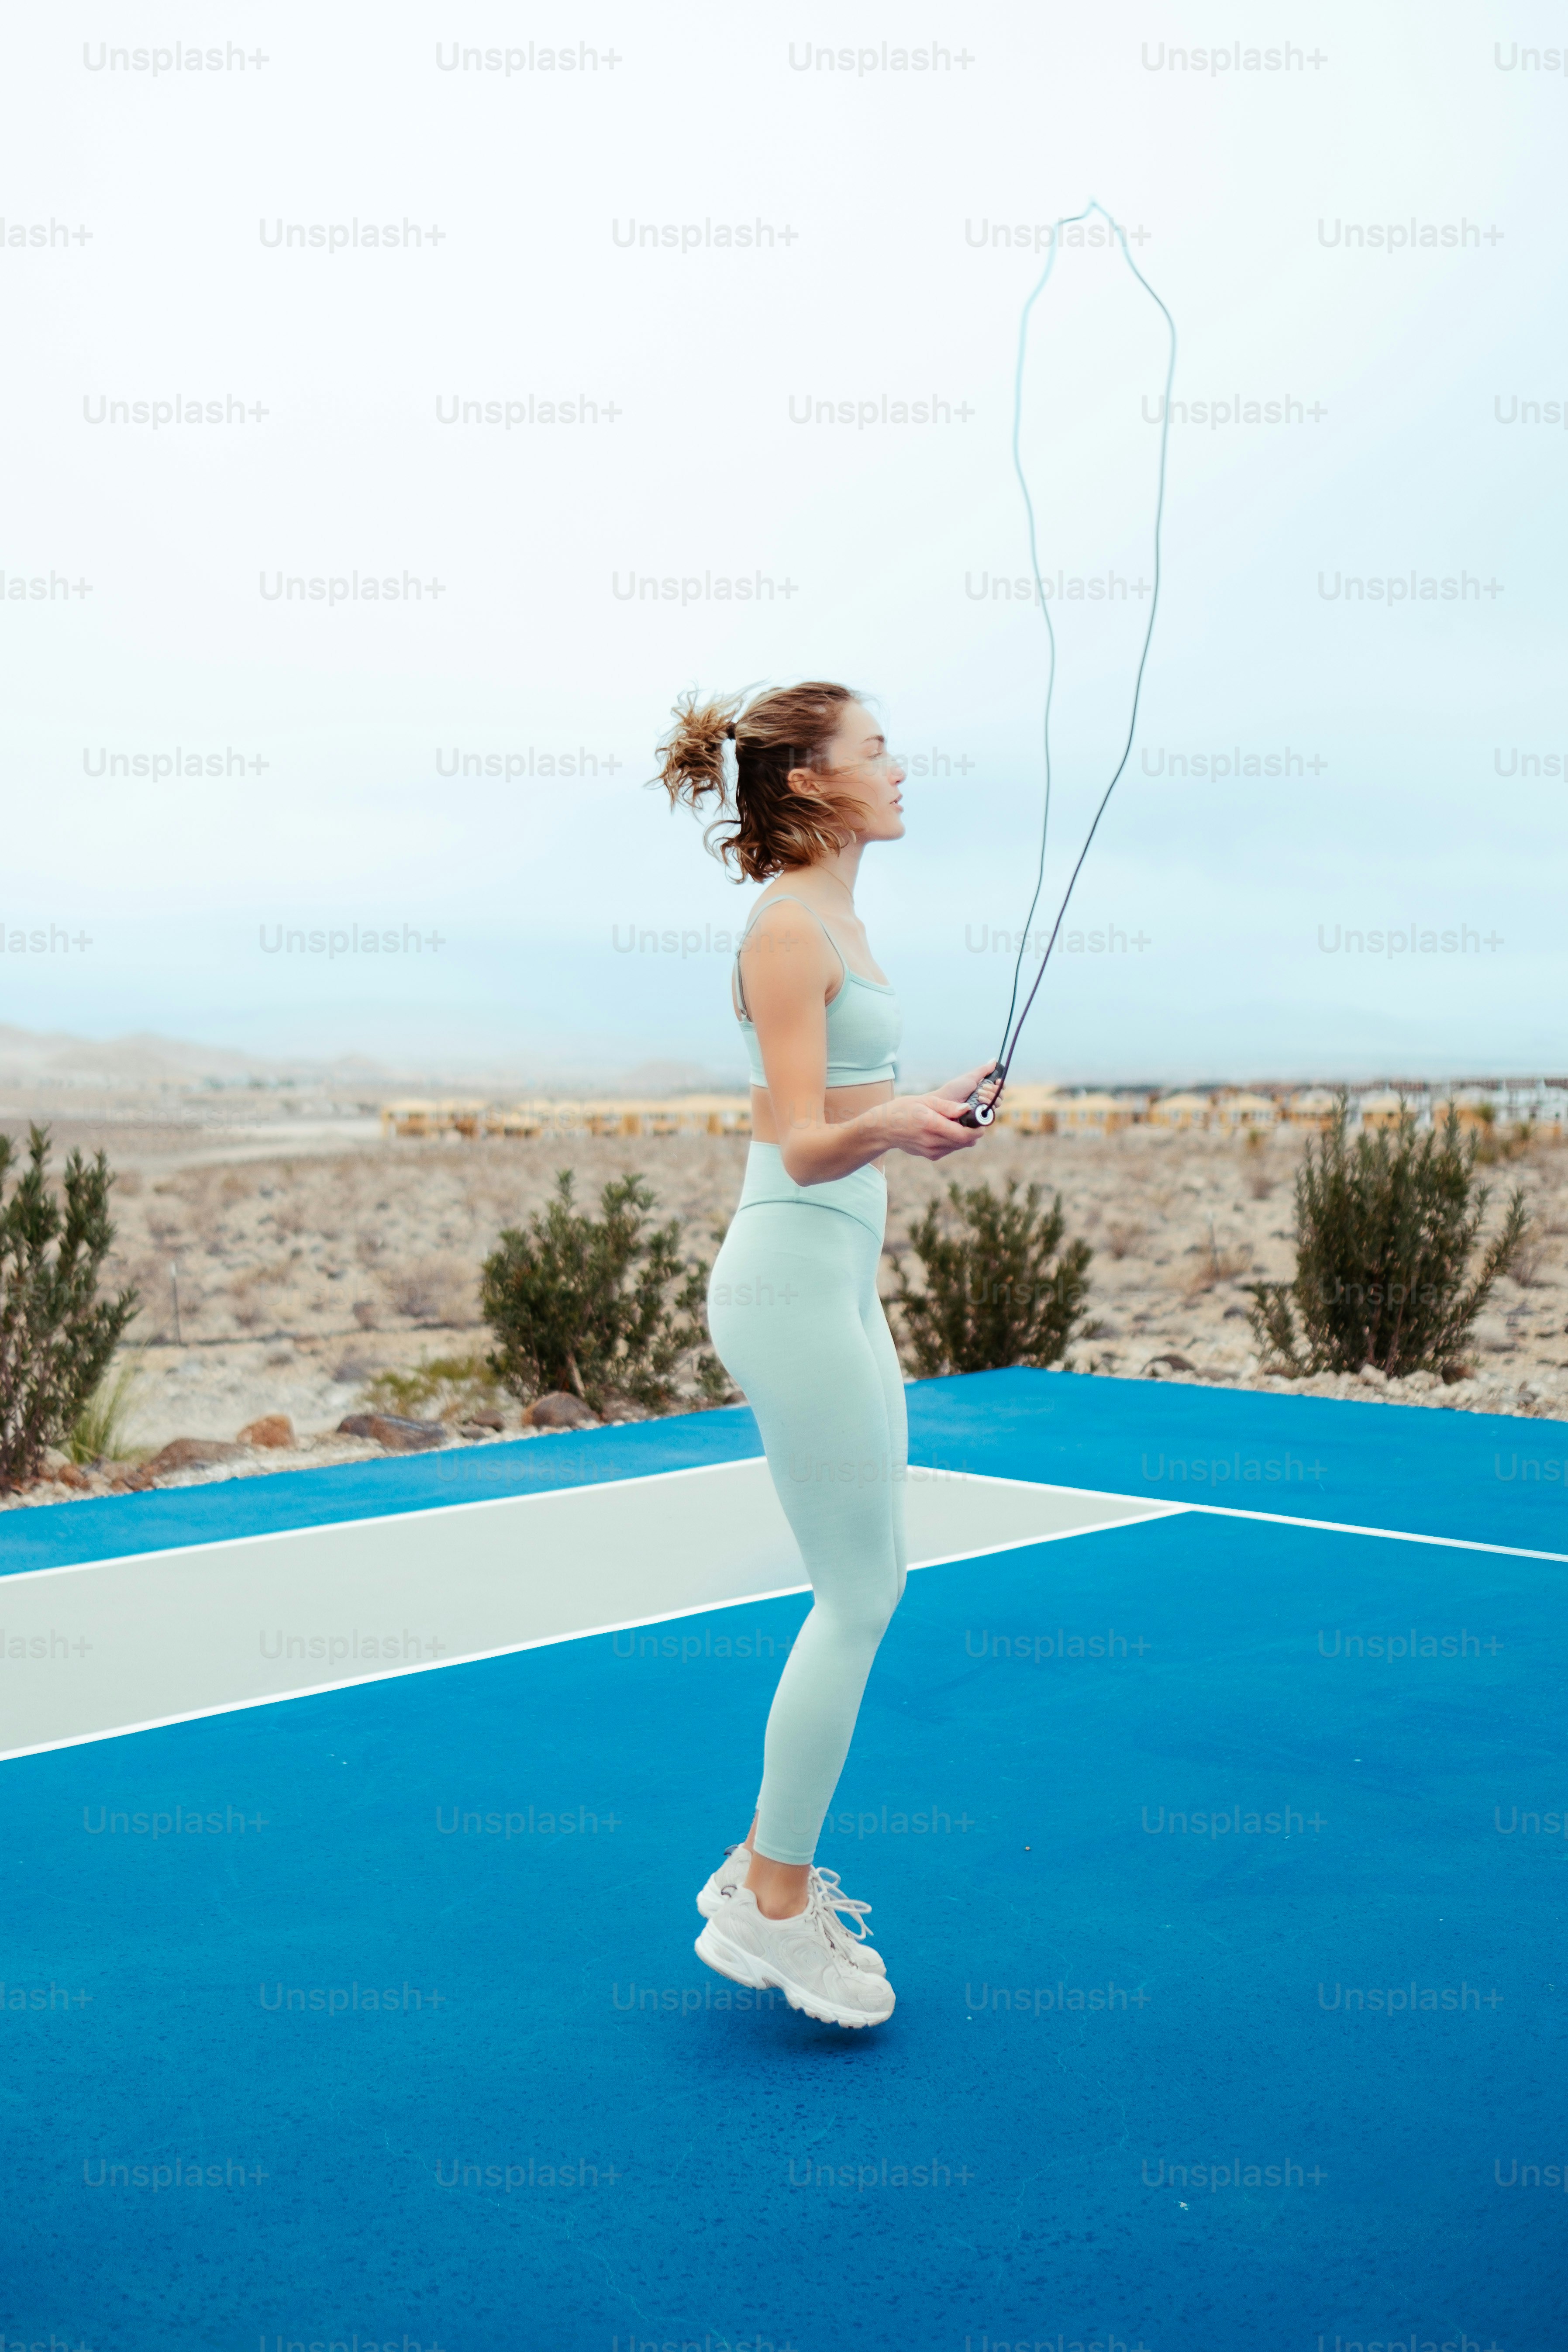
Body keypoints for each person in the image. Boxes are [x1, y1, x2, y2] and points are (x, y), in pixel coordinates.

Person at [655, 681, 999, 2029]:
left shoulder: (839, 918)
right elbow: (802, 1141)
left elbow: (836, 1111)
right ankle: (773, 1901)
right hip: (790, 1276)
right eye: (876, 750)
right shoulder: (787, 928)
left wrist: (919, 1106)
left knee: (872, 1582)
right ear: (808, 781)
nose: (901, 768)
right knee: (859, 1594)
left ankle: (762, 1871)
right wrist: (898, 1122)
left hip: (832, 1277)